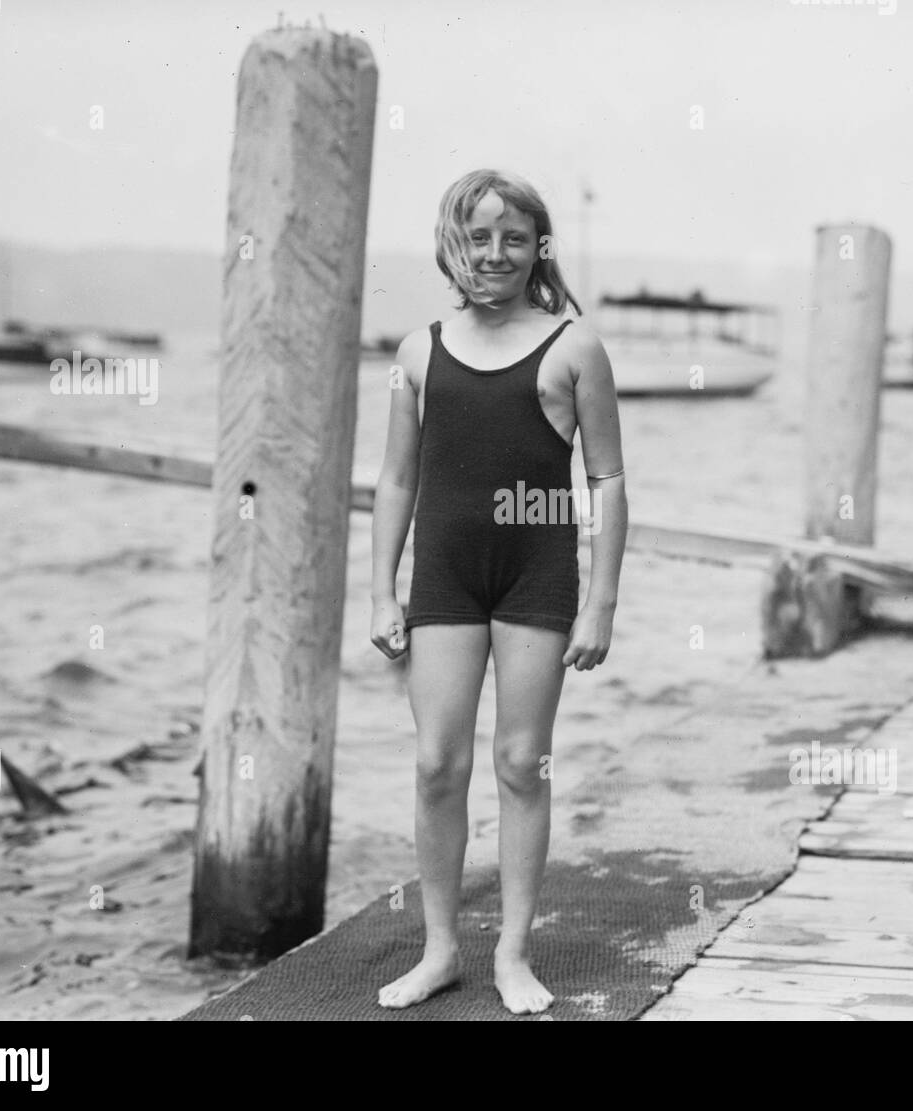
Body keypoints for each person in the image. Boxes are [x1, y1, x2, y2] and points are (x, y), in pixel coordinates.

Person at [369, 169, 626, 1014]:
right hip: (444, 575)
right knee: (437, 761)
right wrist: (380, 591)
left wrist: (600, 602)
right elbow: (397, 481)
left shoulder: (574, 346)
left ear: (538, 248)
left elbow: (609, 483)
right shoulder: (418, 352)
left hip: (537, 573)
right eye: (478, 237)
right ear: (453, 244)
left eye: (515, 238)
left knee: (521, 761)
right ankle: (441, 948)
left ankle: (513, 952)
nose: (495, 253)